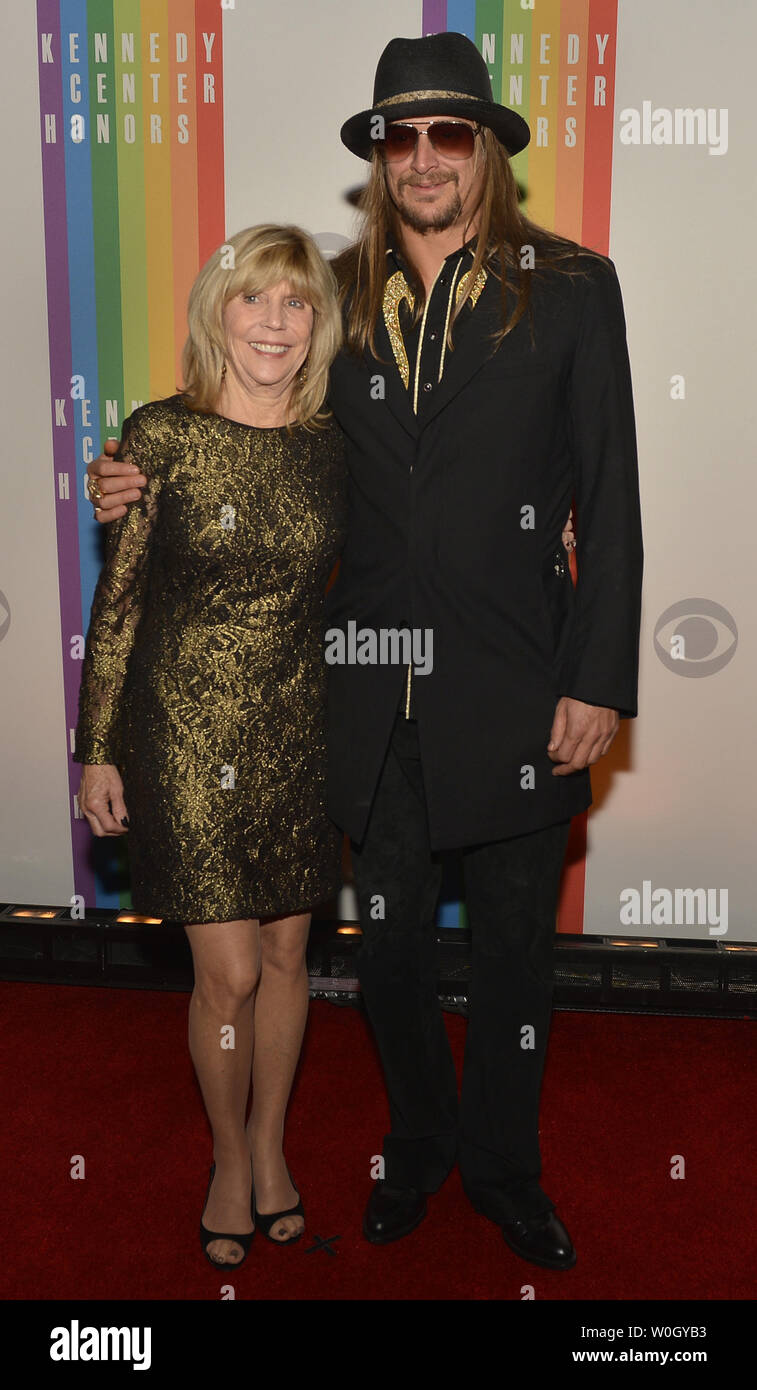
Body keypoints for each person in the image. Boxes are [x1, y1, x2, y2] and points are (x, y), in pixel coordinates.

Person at [87, 33, 643, 1272]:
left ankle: (505, 1171)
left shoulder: (572, 287)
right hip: (362, 692)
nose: (427, 157)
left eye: (452, 133)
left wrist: (597, 677)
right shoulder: (332, 300)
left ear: (488, 150)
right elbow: (245, 410)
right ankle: (419, 1150)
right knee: (384, 953)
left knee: (510, 956)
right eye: (403, 136)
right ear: (380, 157)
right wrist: (133, 473)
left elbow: (609, 494)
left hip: (517, 685)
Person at [74, 224, 347, 1268]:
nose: (273, 323)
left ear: (316, 324)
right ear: (215, 312)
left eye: (297, 303)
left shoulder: (334, 442)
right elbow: (120, 604)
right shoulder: (160, 437)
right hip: (180, 726)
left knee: (288, 954)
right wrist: (97, 747)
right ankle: (227, 1159)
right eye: (253, 299)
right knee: (226, 971)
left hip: (299, 722)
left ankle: (272, 1149)